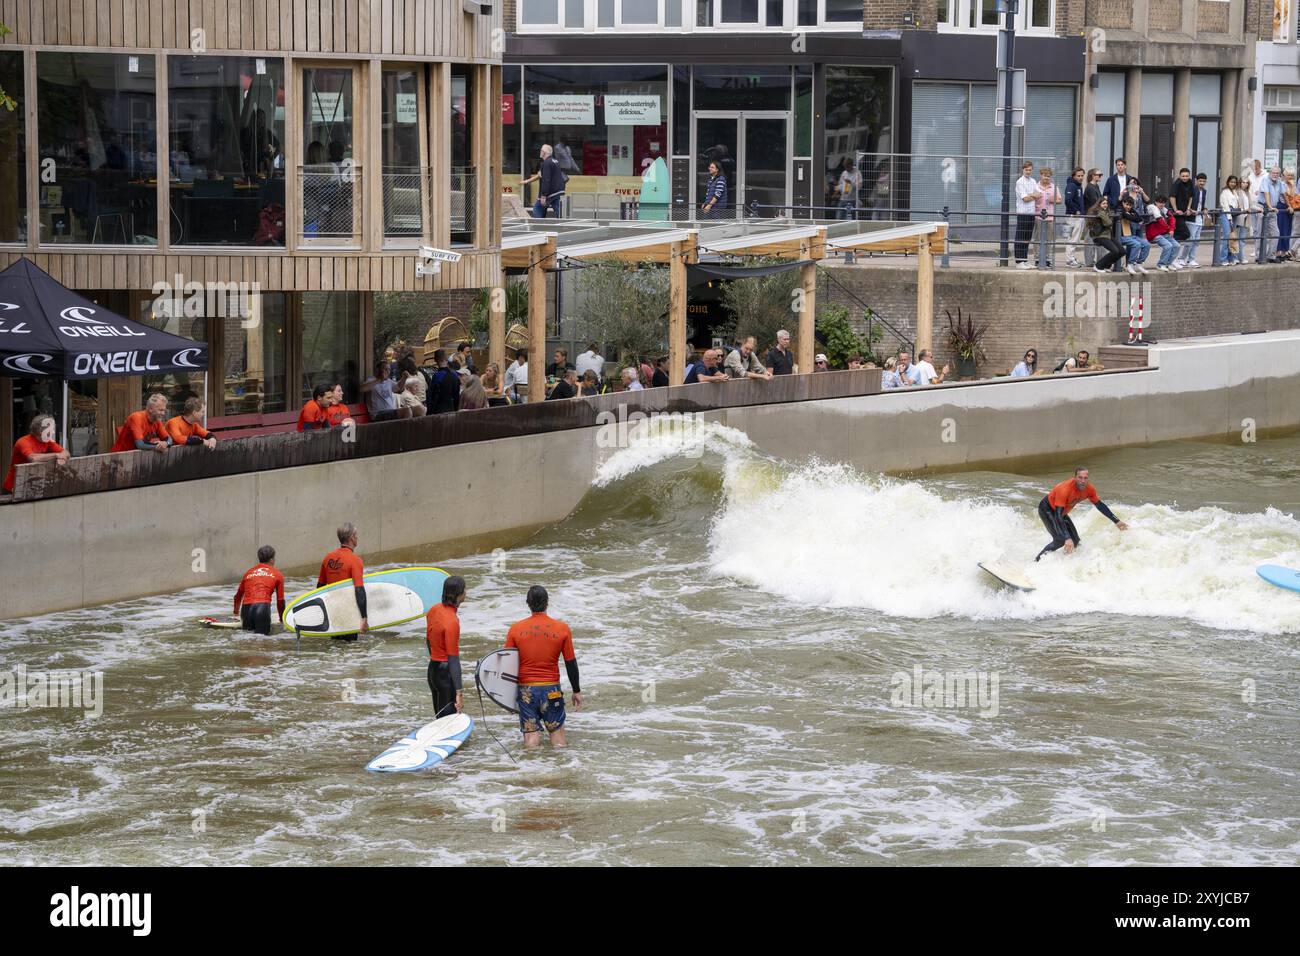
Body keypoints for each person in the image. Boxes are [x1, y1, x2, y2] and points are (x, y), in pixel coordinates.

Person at [504, 585, 582, 749]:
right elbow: (570, 662)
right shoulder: (562, 629)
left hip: (526, 691)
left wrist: (507, 698)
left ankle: (532, 771)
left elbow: (508, 666)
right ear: (547, 603)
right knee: (558, 738)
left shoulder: (515, 629)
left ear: (528, 603)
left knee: (531, 740)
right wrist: (576, 691)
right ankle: (564, 770)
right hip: (551, 691)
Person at [1034, 467, 1128, 561]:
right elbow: (1058, 515)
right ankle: (1036, 562)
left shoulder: (1089, 489)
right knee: (1061, 540)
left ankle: (1065, 562)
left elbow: (1099, 505)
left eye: (1085, 478)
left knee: (1075, 541)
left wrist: (1117, 521)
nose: (1083, 481)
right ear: (1075, 478)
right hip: (1048, 509)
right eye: (1080, 477)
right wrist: (1066, 538)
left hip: (1061, 511)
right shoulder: (1064, 489)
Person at [425, 575, 466, 719]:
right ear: (459, 594)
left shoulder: (433, 610)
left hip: (433, 671)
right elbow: (453, 659)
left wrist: (436, 659)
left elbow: (429, 641)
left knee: (440, 719)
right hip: (445, 675)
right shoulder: (452, 621)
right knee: (447, 723)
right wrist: (459, 691)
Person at [318, 522, 367, 639]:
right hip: (348, 611)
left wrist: (323, 614)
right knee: (350, 649)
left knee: (336, 645)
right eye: (356, 535)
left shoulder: (327, 558)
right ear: (351, 538)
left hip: (333, 611)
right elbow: (359, 590)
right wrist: (364, 617)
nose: (357, 538)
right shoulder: (355, 560)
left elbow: (320, 588)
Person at [3, 414, 68, 494]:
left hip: (32, 485)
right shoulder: (23, 442)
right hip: (13, 487)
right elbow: (33, 458)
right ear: (41, 431)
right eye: (50, 429)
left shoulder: (48, 441)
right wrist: (56, 455)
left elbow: (66, 453)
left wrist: (62, 457)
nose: (53, 432)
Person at [233, 545, 285, 636]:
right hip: (262, 609)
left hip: (246, 610)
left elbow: (238, 596)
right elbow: (280, 601)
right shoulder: (277, 574)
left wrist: (236, 613)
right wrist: (282, 619)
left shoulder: (248, 573)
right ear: (272, 560)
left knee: (247, 642)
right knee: (262, 643)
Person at [520, 144, 567, 219]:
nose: (540, 152)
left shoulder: (546, 163)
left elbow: (546, 180)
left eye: (541, 150)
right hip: (558, 191)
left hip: (550, 194)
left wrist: (543, 196)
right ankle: (565, 225)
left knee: (537, 209)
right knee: (560, 214)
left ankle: (538, 226)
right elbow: (540, 175)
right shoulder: (555, 161)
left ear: (545, 153)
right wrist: (526, 181)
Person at [1173, 172, 1208, 268]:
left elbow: (1202, 204)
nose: (1202, 183)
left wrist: (1204, 209)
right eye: (1200, 181)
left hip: (1199, 218)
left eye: (1204, 181)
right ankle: (1181, 259)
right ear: (1196, 181)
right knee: (1190, 240)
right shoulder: (1192, 190)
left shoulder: (1204, 191)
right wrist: (1190, 210)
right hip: (1191, 218)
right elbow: (1187, 203)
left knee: (1196, 241)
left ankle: (1191, 259)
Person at [1034, 167, 1063, 267]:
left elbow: (1060, 200)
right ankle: (1037, 259)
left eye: (1048, 176)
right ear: (1041, 175)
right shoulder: (1036, 186)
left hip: (1050, 216)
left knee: (1049, 238)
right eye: (1045, 175)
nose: (1046, 178)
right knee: (1038, 238)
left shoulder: (1054, 187)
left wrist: (1053, 200)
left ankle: (1047, 258)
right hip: (1038, 215)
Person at [1087, 197, 1125, 273]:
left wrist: (1108, 216)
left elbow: (1108, 223)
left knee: (1122, 251)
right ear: (1099, 204)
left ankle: (1106, 266)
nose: (1105, 205)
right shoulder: (1100, 212)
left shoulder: (1106, 212)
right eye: (1103, 203)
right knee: (1115, 251)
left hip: (1108, 235)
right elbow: (1108, 223)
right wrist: (1107, 217)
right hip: (1100, 236)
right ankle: (1098, 266)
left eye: (1106, 203)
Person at [1014, 161, 1041, 268]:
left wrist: (1032, 195)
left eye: (1030, 170)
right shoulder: (1020, 182)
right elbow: (1025, 199)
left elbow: (1039, 194)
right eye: (1026, 170)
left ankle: (1025, 260)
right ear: (1023, 170)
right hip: (1023, 212)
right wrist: (1033, 195)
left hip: (1031, 212)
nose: (1028, 172)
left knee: (1027, 237)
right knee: (1020, 236)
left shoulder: (1033, 181)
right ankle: (1019, 261)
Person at [1114, 195, 1150, 275]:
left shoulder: (1131, 210)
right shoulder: (1119, 209)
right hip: (1120, 236)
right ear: (1123, 203)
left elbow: (1139, 219)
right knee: (1136, 244)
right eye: (1126, 204)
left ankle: (1139, 263)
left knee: (1146, 244)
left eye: (1130, 205)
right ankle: (1130, 264)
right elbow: (1127, 216)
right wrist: (1131, 216)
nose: (1128, 207)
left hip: (1130, 235)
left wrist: (1131, 215)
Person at [1145, 196, 1181, 271]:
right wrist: (1169, 229)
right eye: (1159, 202)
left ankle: (1168, 264)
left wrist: (1172, 229)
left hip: (1164, 233)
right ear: (1156, 202)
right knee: (1168, 246)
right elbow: (1159, 220)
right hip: (1154, 234)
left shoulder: (1164, 209)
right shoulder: (1152, 207)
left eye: (1163, 202)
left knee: (1177, 246)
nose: (1161, 204)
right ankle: (1161, 264)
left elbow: (1172, 218)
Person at [1258, 165, 1284, 262]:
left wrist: (1289, 205)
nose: (1275, 175)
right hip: (1263, 207)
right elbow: (1266, 193)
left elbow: (1283, 194)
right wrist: (1269, 206)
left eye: (1277, 173)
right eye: (1273, 173)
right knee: (1261, 232)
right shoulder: (1265, 180)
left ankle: (1271, 256)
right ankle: (1259, 256)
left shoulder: (1279, 182)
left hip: (1273, 209)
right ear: (1270, 173)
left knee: (1275, 233)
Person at [1219, 174, 1246, 265]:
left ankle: (1232, 258)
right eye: (1231, 182)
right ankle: (1223, 258)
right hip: (1226, 215)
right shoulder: (1224, 192)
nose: (1233, 184)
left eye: (1234, 182)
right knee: (1227, 236)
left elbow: (1237, 205)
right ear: (1228, 182)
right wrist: (1229, 219)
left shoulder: (1235, 191)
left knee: (1233, 237)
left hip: (1234, 215)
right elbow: (1226, 207)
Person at [1063, 167, 1088, 268]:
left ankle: (1072, 258)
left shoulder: (1079, 186)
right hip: (1073, 216)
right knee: (1073, 238)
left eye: (1082, 175)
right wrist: (1076, 211)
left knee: (1075, 239)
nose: (1081, 177)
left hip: (1079, 216)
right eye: (1078, 176)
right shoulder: (1071, 186)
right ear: (1074, 176)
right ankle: (1069, 260)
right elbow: (1068, 200)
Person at [426, 348, 461, 414]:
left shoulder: (437, 376)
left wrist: (429, 412)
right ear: (447, 359)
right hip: (452, 410)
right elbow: (457, 396)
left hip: (439, 411)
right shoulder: (455, 375)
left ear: (435, 360)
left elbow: (431, 397)